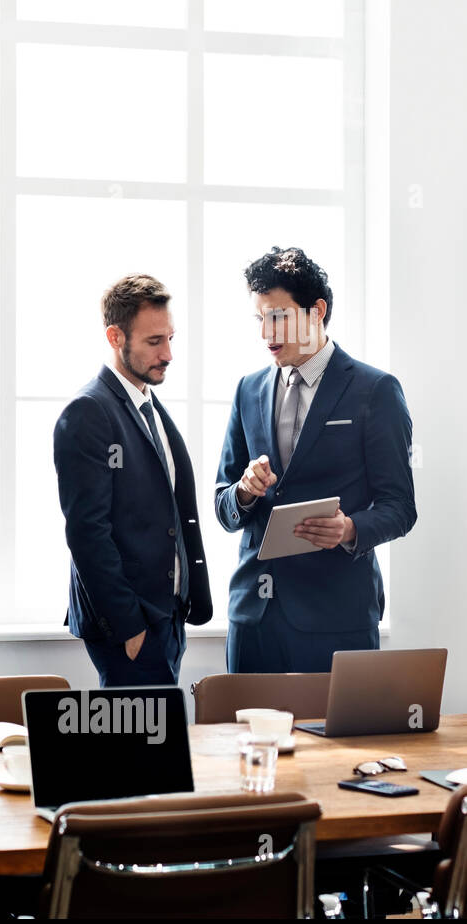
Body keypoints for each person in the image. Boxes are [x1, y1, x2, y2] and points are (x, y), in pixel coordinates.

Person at [214, 246, 416, 674]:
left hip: (336, 619)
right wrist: (245, 493)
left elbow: (400, 507)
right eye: (259, 318)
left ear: (317, 310)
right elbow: (223, 505)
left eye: (279, 316)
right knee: (250, 743)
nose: (267, 332)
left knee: (339, 744)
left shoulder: (375, 390)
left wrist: (349, 529)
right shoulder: (247, 390)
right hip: (254, 617)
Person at [53, 274, 212, 687]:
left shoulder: (148, 405)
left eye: (171, 338)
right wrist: (129, 627)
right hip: (130, 625)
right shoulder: (88, 412)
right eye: (154, 341)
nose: (169, 353)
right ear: (114, 336)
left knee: (158, 746)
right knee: (135, 748)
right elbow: (88, 532)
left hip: (167, 616)